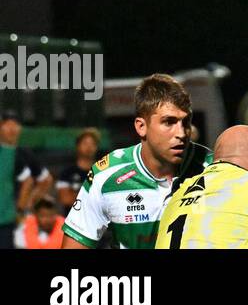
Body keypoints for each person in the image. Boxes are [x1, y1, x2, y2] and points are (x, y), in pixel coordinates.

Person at [63, 74, 213, 249]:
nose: (181, 133)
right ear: (141, 127)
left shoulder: (213, 169)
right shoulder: (106, 176)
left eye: (185, 122)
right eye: (169, 122)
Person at [1, 117, 53, 250]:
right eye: (7, 125)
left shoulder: (23, 154)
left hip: (15, 219)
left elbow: (45, 180)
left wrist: (26, 205)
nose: (11, 129)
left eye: (15, 125)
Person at [57, 128, 101, 212]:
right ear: (78, 146)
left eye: (93, 144)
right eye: (85, 143)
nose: (89, 147)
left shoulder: (103, 171)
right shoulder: (66, 173)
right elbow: (65, 199)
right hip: (73, 221)